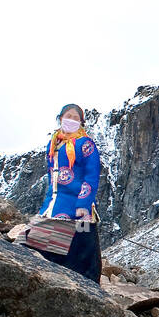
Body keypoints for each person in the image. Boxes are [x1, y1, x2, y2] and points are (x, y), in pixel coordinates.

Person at [38, 103, 103, 283]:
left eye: (76, 118)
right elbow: (51, 176)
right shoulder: (53, 144)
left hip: (78, 204)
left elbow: (91, 176)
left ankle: (86, 284)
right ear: (60, 118)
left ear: (82, 123)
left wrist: (83, 204)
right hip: (56, 202)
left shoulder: (86, 144)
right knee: (46, 243)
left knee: (82, 246)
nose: (72, 121)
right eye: (69, 116)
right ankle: (52, 280)